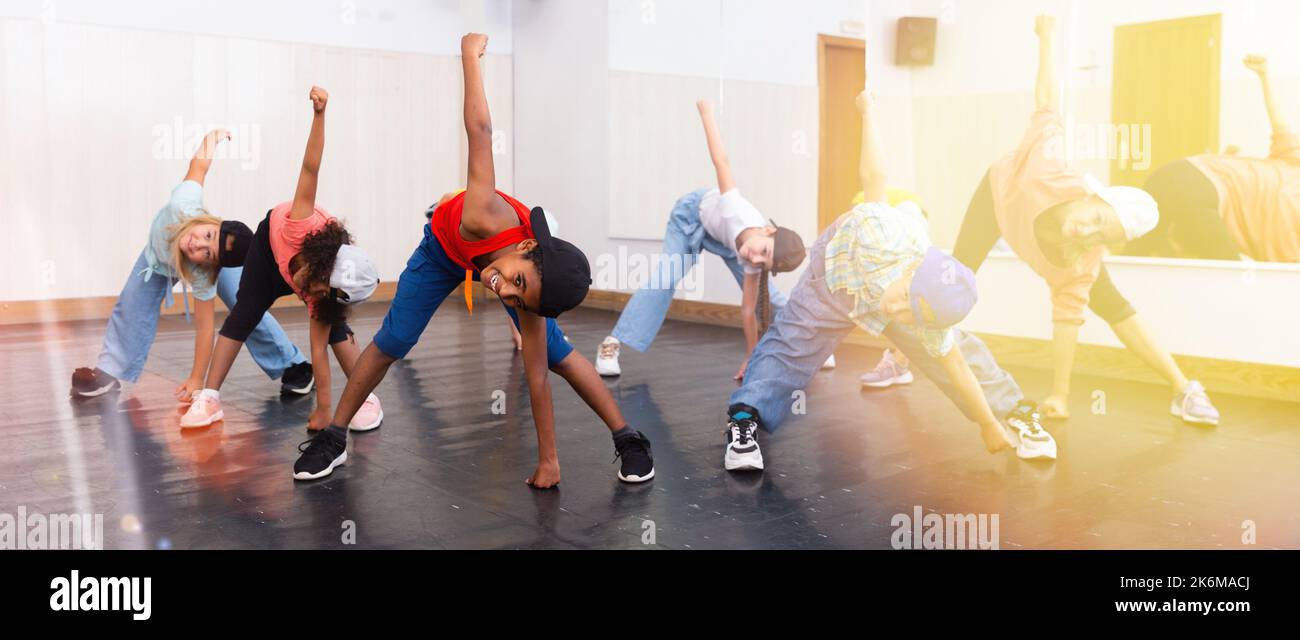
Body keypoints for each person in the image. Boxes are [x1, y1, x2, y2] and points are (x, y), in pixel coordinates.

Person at [291, 33, 655, 486]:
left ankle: (628, 438)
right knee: (394, 339)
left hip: (488, 259)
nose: (504, 291)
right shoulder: (486, 214)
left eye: (519, 300)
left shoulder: (529, 291)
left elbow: (535, 377)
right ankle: (334, 438)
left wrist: (549, 462)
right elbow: (480, 130)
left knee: (556, 355)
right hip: (442, 249)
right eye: (517, 283)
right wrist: (469, 56)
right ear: (525, 249)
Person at [720, 89, 1057, 472]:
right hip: (835, 276)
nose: (894, 311)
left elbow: (957, 368)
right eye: (902, 302)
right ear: (910, 274)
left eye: (910, 314)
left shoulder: (928, 315)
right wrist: (868, 112)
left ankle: (1015, 411)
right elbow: (875, 176)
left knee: (960, 351)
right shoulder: (881, 235)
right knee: (790, 346)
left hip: (897, 289)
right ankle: (744, 420)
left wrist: (988, 425)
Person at [949, 15, 1219, 425]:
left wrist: (1059, 395)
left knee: (1112, 304)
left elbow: (1066, 321)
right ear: (1091, 197)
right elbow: (1046, 99)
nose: (1088, 231)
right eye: (1095, 218)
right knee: (957, 274)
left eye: (1101, 235)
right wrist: (1046, 37)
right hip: (998, 191)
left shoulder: (1080, 261)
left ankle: (1183, 388)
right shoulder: (1050, 163)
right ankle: (898, 354)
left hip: (1039, 238)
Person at [179, 86, 384, 437]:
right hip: (269, 246)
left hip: (300, 267)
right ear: (319, 263)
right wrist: (320, 116)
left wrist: (324, 409)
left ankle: (365, 398)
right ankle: (209, 397)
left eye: (321, 292)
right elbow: (311, 166)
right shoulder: (300, 223)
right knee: (245, 311)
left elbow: (318, 352)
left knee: (334, 332)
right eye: (316, 283)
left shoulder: (321, 294)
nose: (311, 292)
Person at [71, 128, 314, 401]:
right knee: (131, 304)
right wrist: (211, 139)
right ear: (208, 221)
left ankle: (294, 365)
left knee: (244, 304)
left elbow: (205, 326)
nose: (196, 244)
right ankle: (109, 371)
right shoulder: (183, 202)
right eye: (206, 235)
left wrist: (197, 378)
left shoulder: (203, 269)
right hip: (158, 258)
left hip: (211, 262)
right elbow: (199, 165)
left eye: (207, 251)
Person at [595, 100, 808, 380]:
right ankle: (611, 344)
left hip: (728, 239)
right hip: (690, 218)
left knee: (769, 297)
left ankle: (808, 342)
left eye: (763, 261)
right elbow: (721, 160)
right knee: (666, 277)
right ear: (768, 230)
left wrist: (751, 357)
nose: (755, 259)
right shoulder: (736, 209)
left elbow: (747, 311)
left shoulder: (752, 255)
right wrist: (706, 113)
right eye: (763, 252)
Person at [1129, 54, 1300, 263]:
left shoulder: (1293, 162)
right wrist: (1264, 77)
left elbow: (1281, 126)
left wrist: (1264, 76)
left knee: (1133, 260)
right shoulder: (1294, 161)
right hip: (1200, 193)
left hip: (1175, 173)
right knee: (1232, 279)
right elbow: (1281, 125)